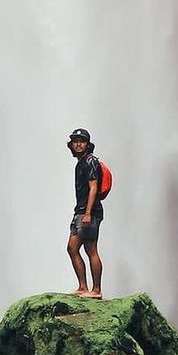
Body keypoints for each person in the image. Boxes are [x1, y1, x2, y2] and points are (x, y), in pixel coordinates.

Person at [66, 127, 104, 298]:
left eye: (82, 141)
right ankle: (83, 287)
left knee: (91, 249)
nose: (78, 144)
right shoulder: (81, 163)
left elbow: (93, 187)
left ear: (88, 144)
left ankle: (96, 290)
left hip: (90, 212)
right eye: (75, 141)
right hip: (80, 211)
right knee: (72, 248)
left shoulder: (90, 161)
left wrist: (88, 213)